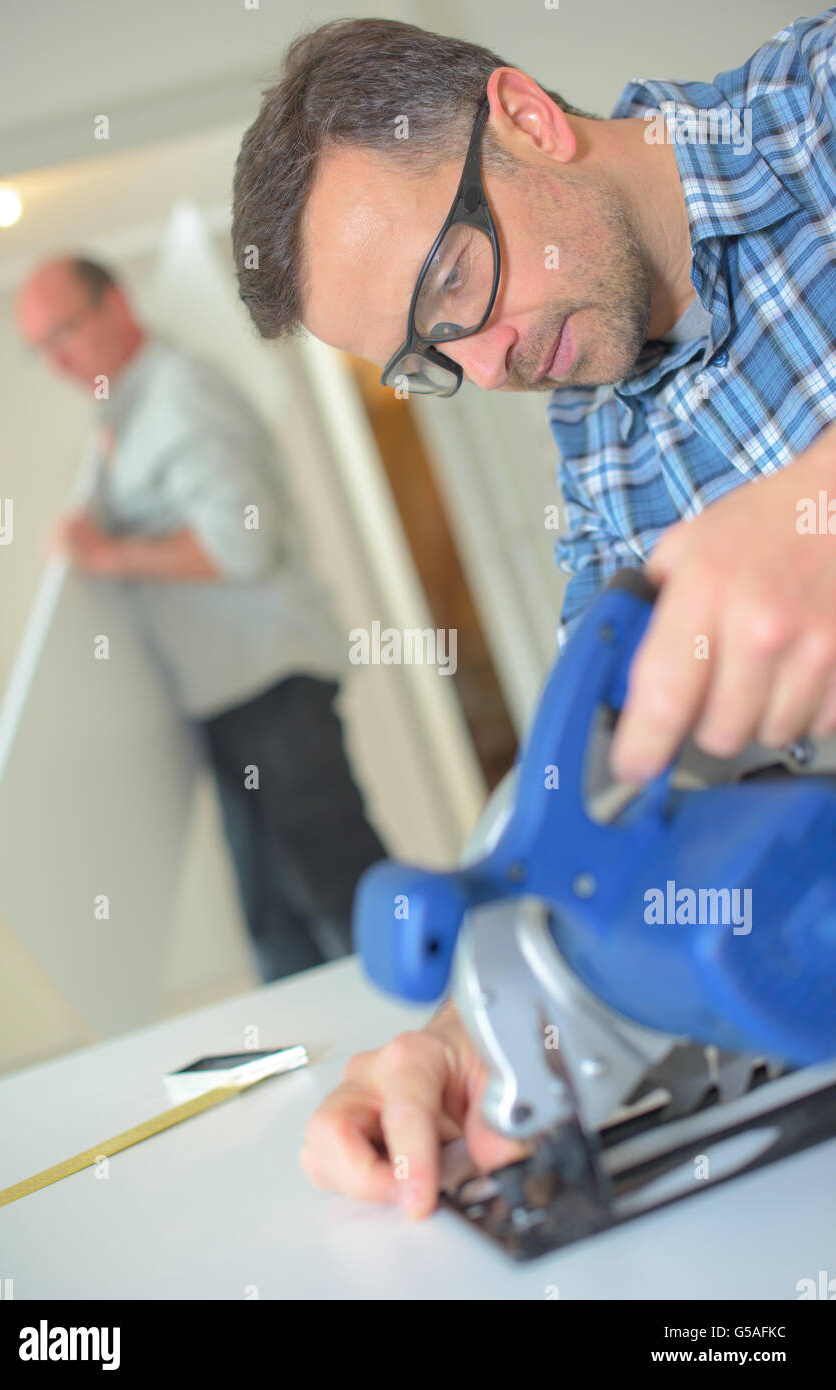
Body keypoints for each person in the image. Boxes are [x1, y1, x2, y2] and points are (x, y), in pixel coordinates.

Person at [230, 14, 836, 1216]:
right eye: (433, 354)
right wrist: (484, 1027)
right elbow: (595, 786)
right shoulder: (605, 459)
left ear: (528, 120)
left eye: (454, 281)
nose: (493, 366)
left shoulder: (819, 110)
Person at [15, 256, 387, 984]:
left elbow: (238, 544)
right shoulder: (125, 415)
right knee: (274, 918)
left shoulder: (179, 393)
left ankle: (433, 1043)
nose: (57, 359)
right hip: (233, 697)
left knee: (335, 886)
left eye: (64, 332)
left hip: (270, 686)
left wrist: (105, 552)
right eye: (41, 348)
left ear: (116, 304)